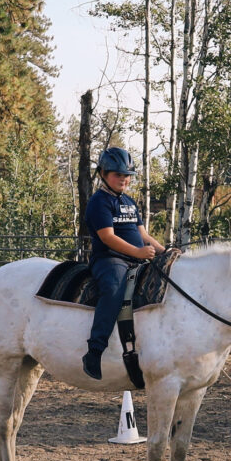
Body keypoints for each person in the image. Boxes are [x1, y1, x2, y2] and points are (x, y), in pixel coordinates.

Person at [81, 146, 164, 381]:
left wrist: (165, 251)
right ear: (103, 174)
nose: (124, 179)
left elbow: (143, 235)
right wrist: (138, 252)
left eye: (127, 175)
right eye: (118, 174)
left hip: (136, 257)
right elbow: (107, 237)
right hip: (110, 259)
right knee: (113, 288)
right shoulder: (99, 202)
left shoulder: (129, 202)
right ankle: (95, 350)